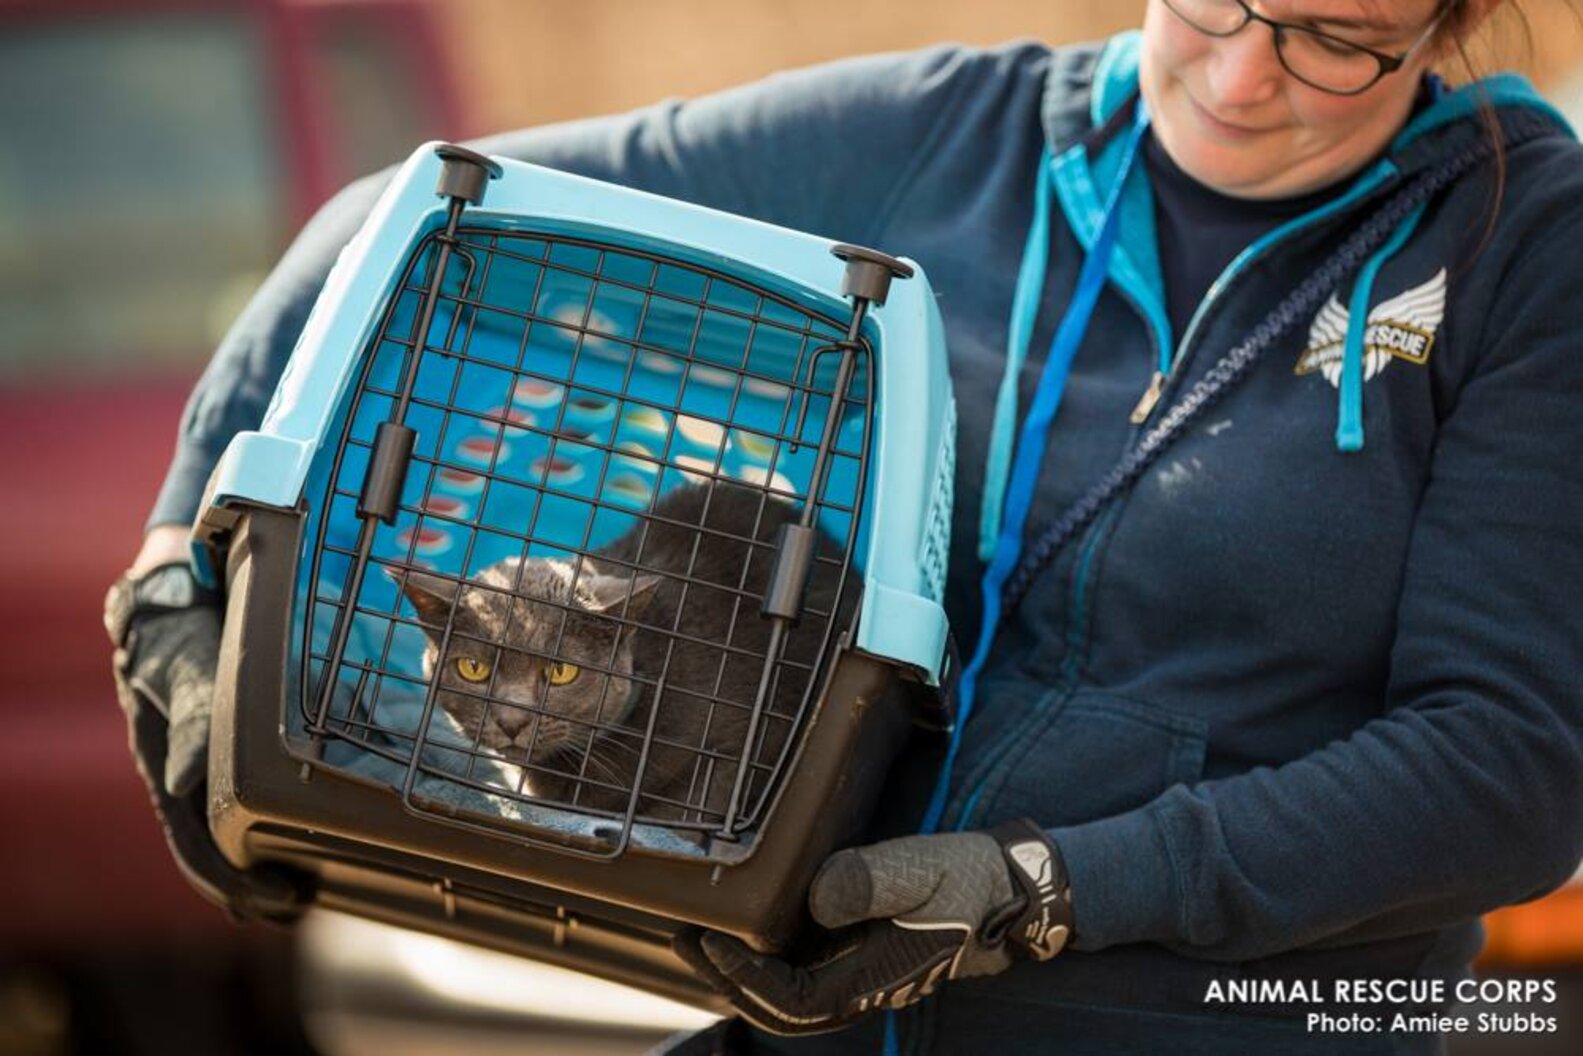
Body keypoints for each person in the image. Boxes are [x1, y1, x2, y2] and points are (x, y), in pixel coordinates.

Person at [106, 0, 1583, 1052]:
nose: (1245, 76)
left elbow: (1510, 767)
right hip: (804, 1018)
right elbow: (406, 213)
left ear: (1445, 30)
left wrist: (1048, 893)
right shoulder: (952, 136)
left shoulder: (1529, 251)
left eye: (1335, 40)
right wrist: (182, 554)